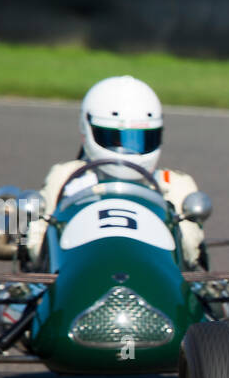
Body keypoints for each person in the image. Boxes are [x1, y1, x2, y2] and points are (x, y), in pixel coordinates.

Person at [22, 75, 206, 268]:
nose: (127, 150)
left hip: (153, 278)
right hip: (80, 275)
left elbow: (189, 255)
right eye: (115, 140)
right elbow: (37, 251)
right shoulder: (66, 176)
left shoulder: (174, 184)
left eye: (140, 140)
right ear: (87, 130)